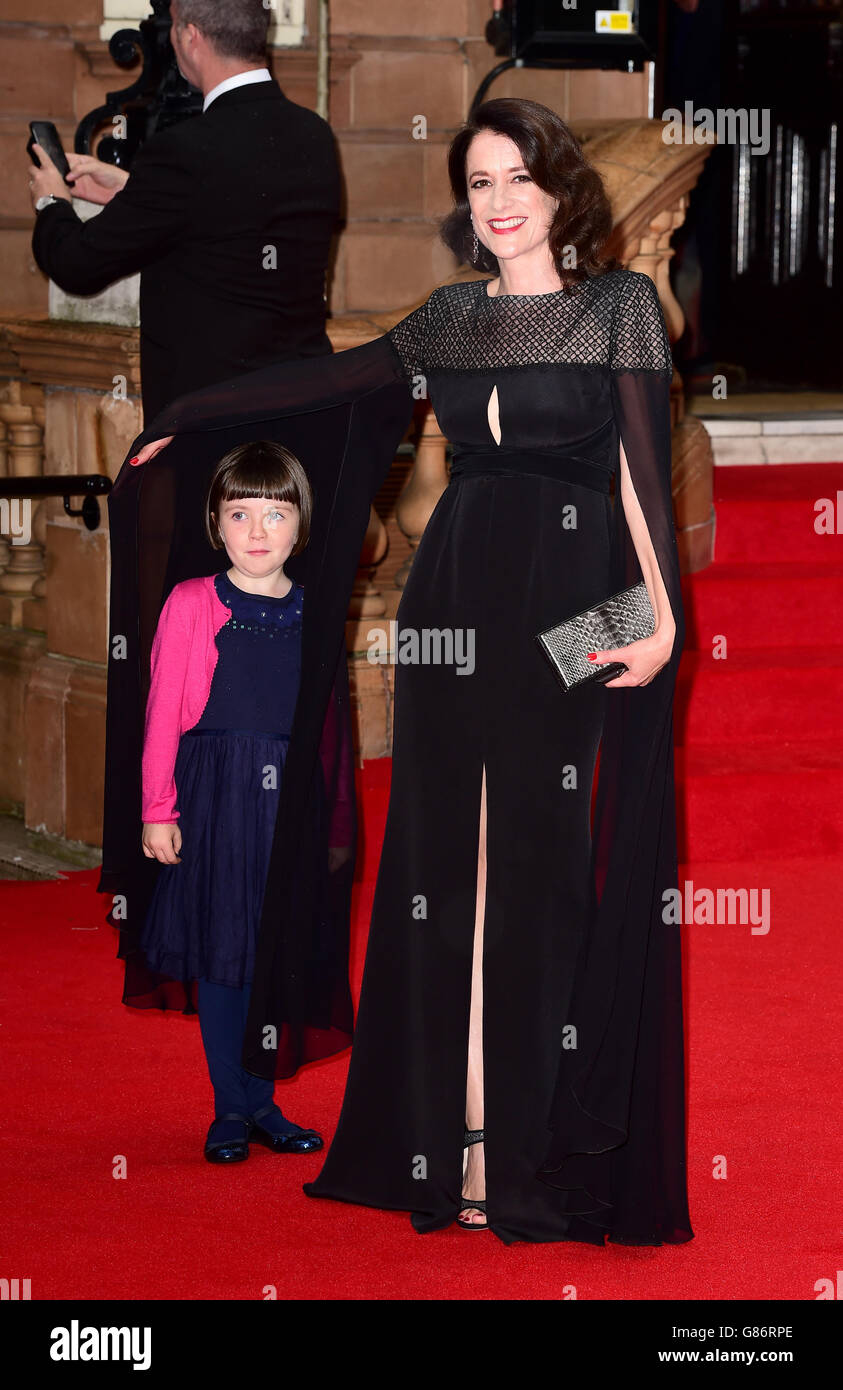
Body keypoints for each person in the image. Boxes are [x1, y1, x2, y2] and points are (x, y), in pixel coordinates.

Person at [108, 96, 693, 1245]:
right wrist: (187, 414)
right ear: (467, 208)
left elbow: (640, 481)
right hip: (456, 617)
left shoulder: (619, 308)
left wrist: (662, 624)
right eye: (480, 183)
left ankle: (528, 1141)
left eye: (518, 174)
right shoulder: (450, 320)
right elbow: (324, 382)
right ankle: (455, 1142)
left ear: (559, 188)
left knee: (537, 873)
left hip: (573, 620)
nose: (502, 199)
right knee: (451, 873)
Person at [139, 439, 325, 1160]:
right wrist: (158, 809)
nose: (256, 533)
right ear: (215, 523)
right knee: (224, 953)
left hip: (287, 804)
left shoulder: (314, 607)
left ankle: (264, 1104)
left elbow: (325, 725)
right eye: (239, 514)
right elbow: (160, 714)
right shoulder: (192, 602)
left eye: (274, 515)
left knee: (271, 953)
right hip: (214, 795)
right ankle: (229, 1108)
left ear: (300, 526)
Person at [27, 0, 341, 421]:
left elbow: (77, 264)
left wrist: (52, 200)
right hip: (300, 414)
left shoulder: (183, 150)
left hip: (209, 433)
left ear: (190, 36)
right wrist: (132, 192)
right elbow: (235, 220)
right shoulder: (314, 135)